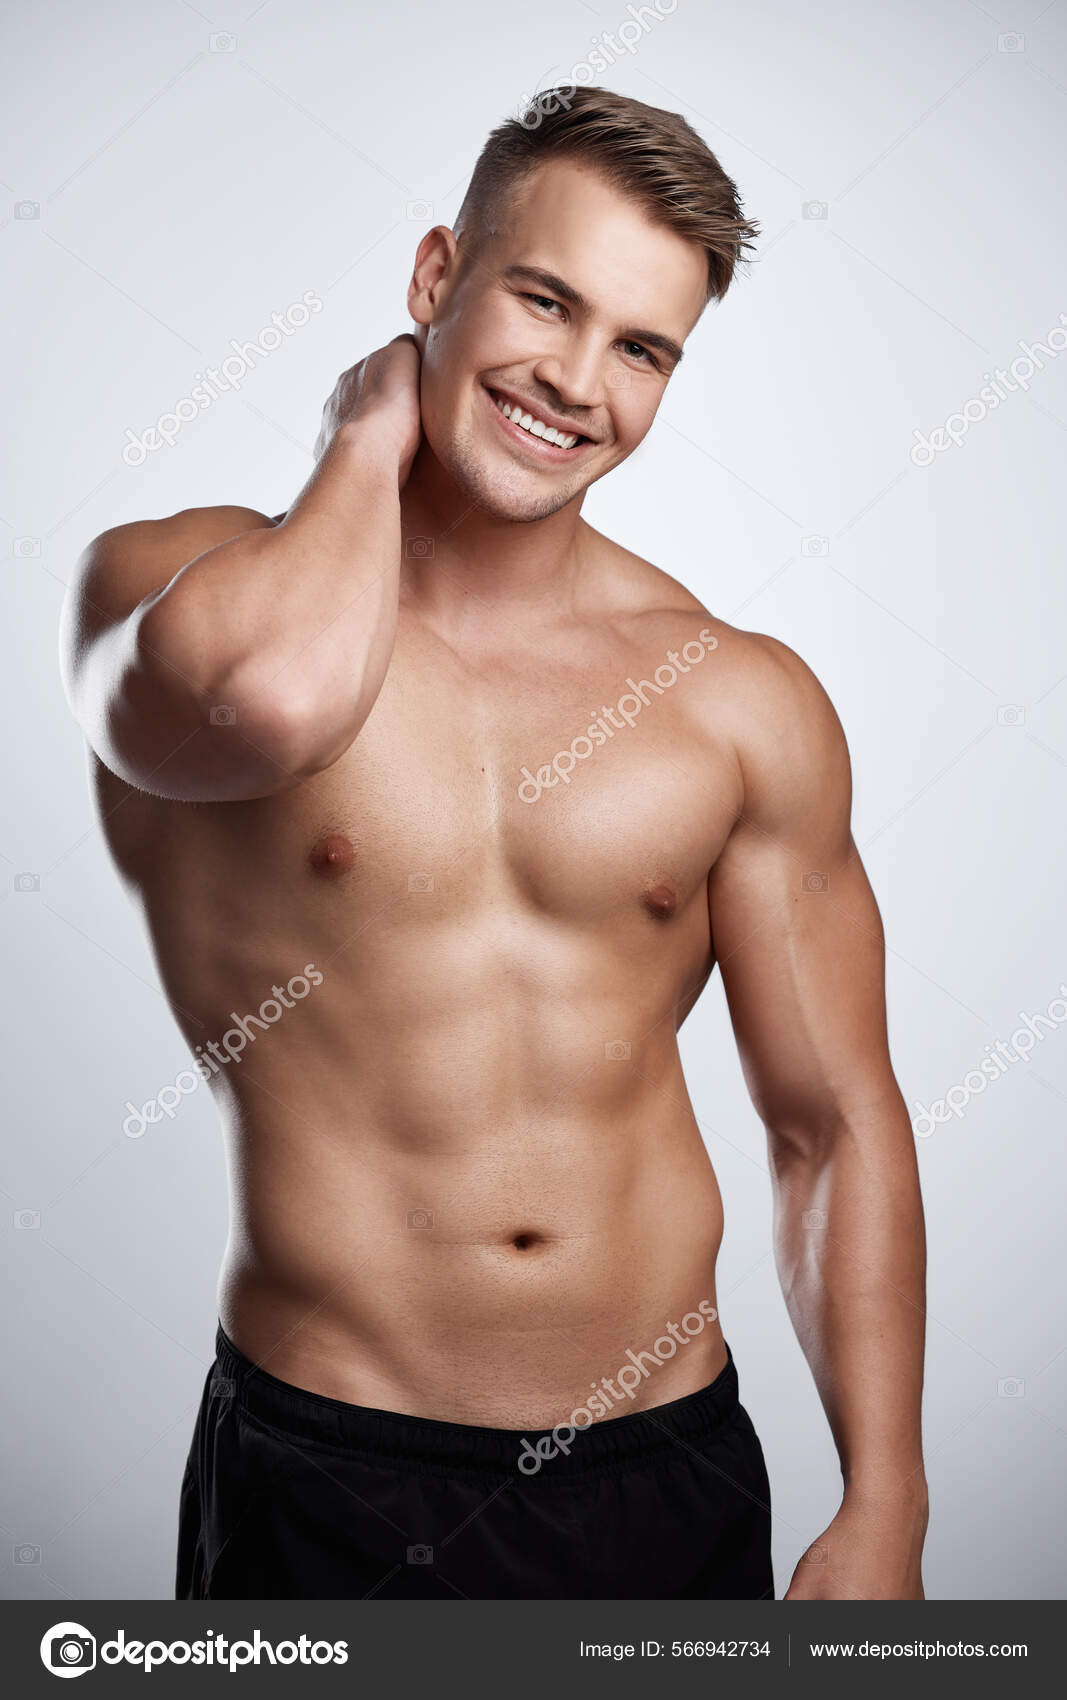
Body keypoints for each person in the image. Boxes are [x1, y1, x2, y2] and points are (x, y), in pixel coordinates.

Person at [60, 86, 928, 1601]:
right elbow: (278, 707)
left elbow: (832, 1121)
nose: (578, 383)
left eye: (643, 349)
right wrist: (364, 435)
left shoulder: (736, 697)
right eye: (545, 300)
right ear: (434, 275)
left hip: (665, 1466)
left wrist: (887, 1505)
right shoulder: (173, 583)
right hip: (331, 1466)